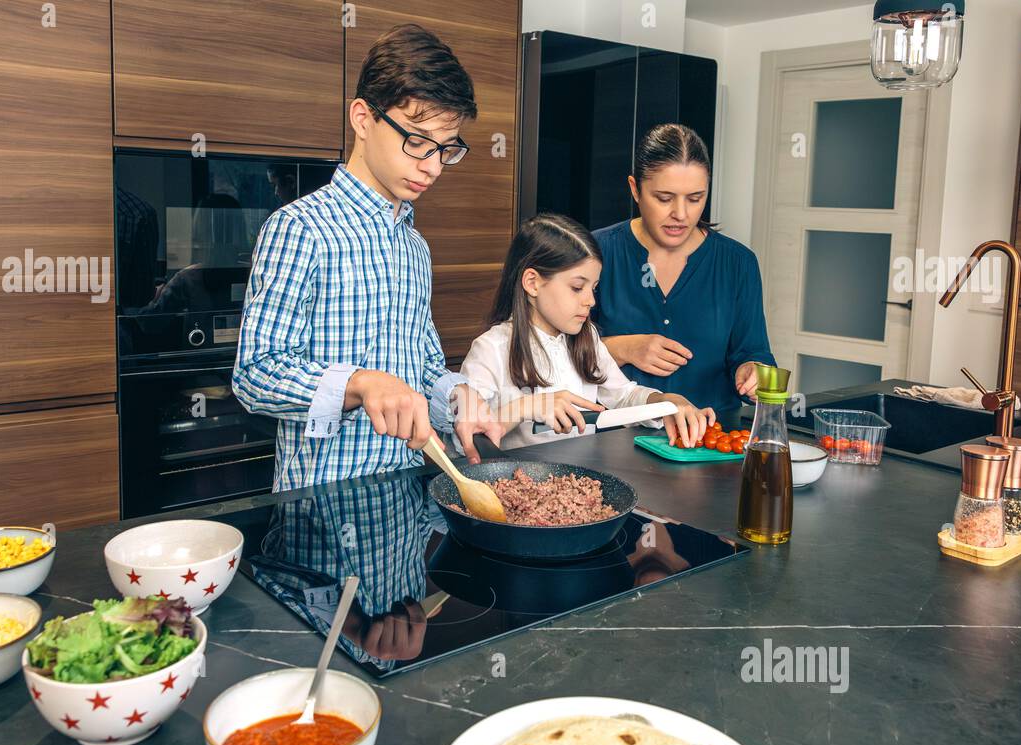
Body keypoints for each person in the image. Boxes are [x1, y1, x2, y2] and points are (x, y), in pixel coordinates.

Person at [233, 24, 502, 491]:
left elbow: (421, 365)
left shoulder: (414, 247)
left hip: (404, 497)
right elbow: (256, 373)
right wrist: (359, 384)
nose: (433, 166)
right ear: (363, 118)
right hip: (321, 505)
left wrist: (456, 396)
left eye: (446, 149)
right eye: (416, 141)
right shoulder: (301, 228)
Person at [460, 213, 715, 450]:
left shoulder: (587, 338)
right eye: (577, 287)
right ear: (532, 283)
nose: (591, 301)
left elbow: (623, 396)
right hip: (518, 488)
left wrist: (664, 401)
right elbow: (463, 440)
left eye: (593, 288)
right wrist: (524, 408)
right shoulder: (490, 349)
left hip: (580, 486)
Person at [592, 124, 775, 427]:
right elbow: (555, 354)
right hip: (615, 440)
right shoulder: (596, 253)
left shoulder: (738, 263)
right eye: (664, 198)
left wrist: (754, 372)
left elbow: (755, 353)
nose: (681, 214)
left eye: (695, 198)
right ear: (635, 189)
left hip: (713, 443)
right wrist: (624, 348)